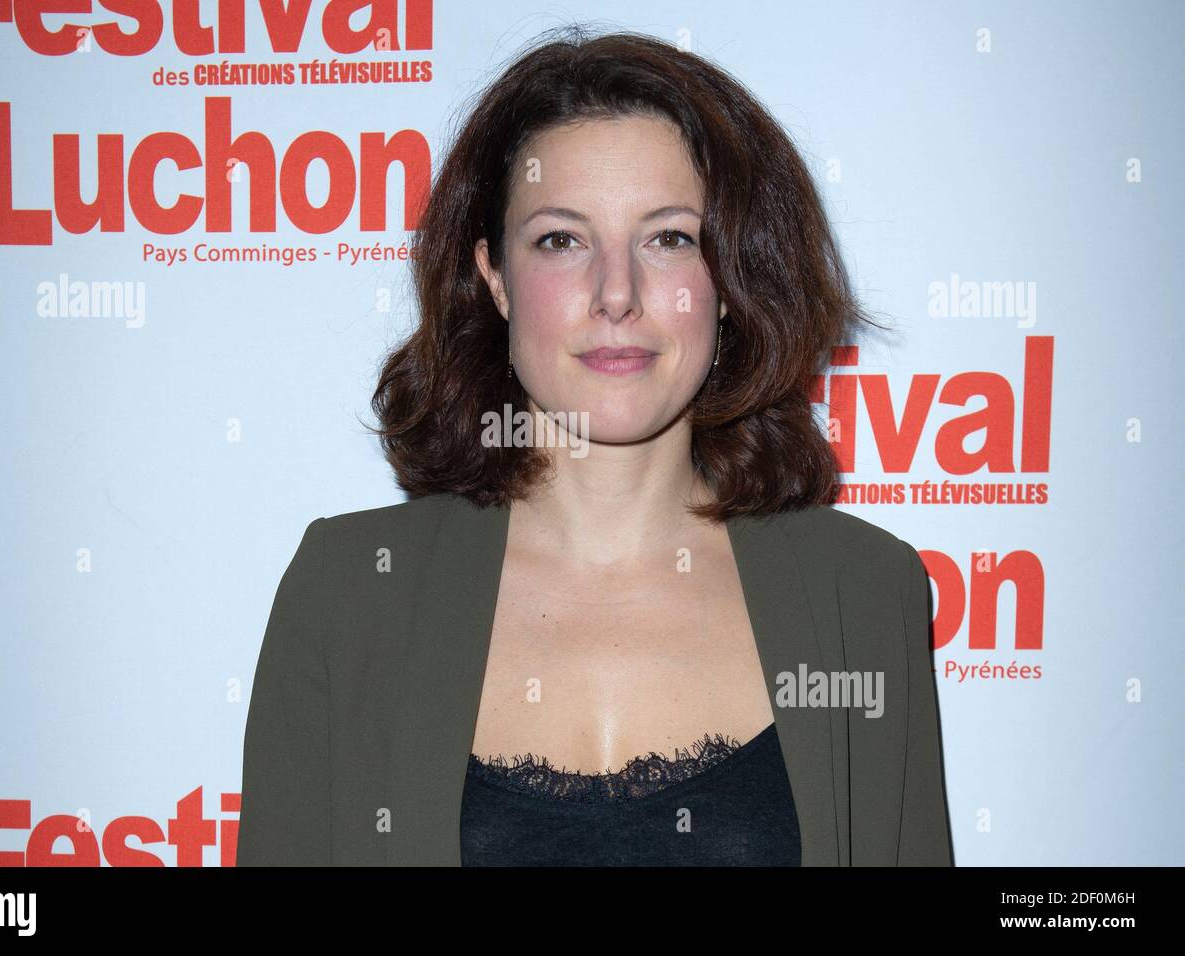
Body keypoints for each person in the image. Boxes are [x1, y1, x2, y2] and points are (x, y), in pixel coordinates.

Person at [237, 26, 952, 867]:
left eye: (670, 237)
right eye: (561, 240)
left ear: (732, 280)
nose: (618, 294)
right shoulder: (348, 593)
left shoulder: (861, 594)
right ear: (493, 276)